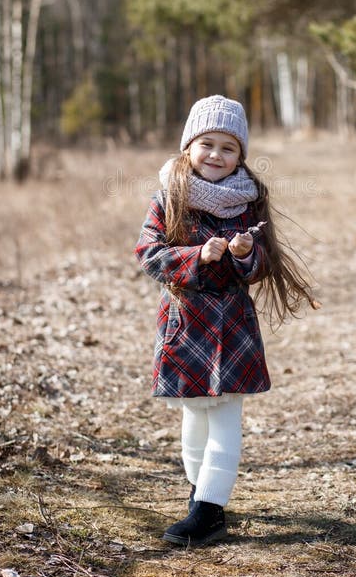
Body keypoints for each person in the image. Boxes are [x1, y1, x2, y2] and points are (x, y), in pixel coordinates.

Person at [134, 95, 317, 547]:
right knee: (193, 415)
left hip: (232, 326)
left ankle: (211, 511)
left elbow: (262, 266)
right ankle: (200, 497)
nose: (216, 155)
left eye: (228, 147)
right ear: (188, 147)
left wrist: (244, 255)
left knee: (226, 417)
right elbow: (148, 254)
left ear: (241, 156)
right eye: (207, 144)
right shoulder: (167, 198)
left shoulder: (247, 203)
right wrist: (196, 255)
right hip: (185, 323)